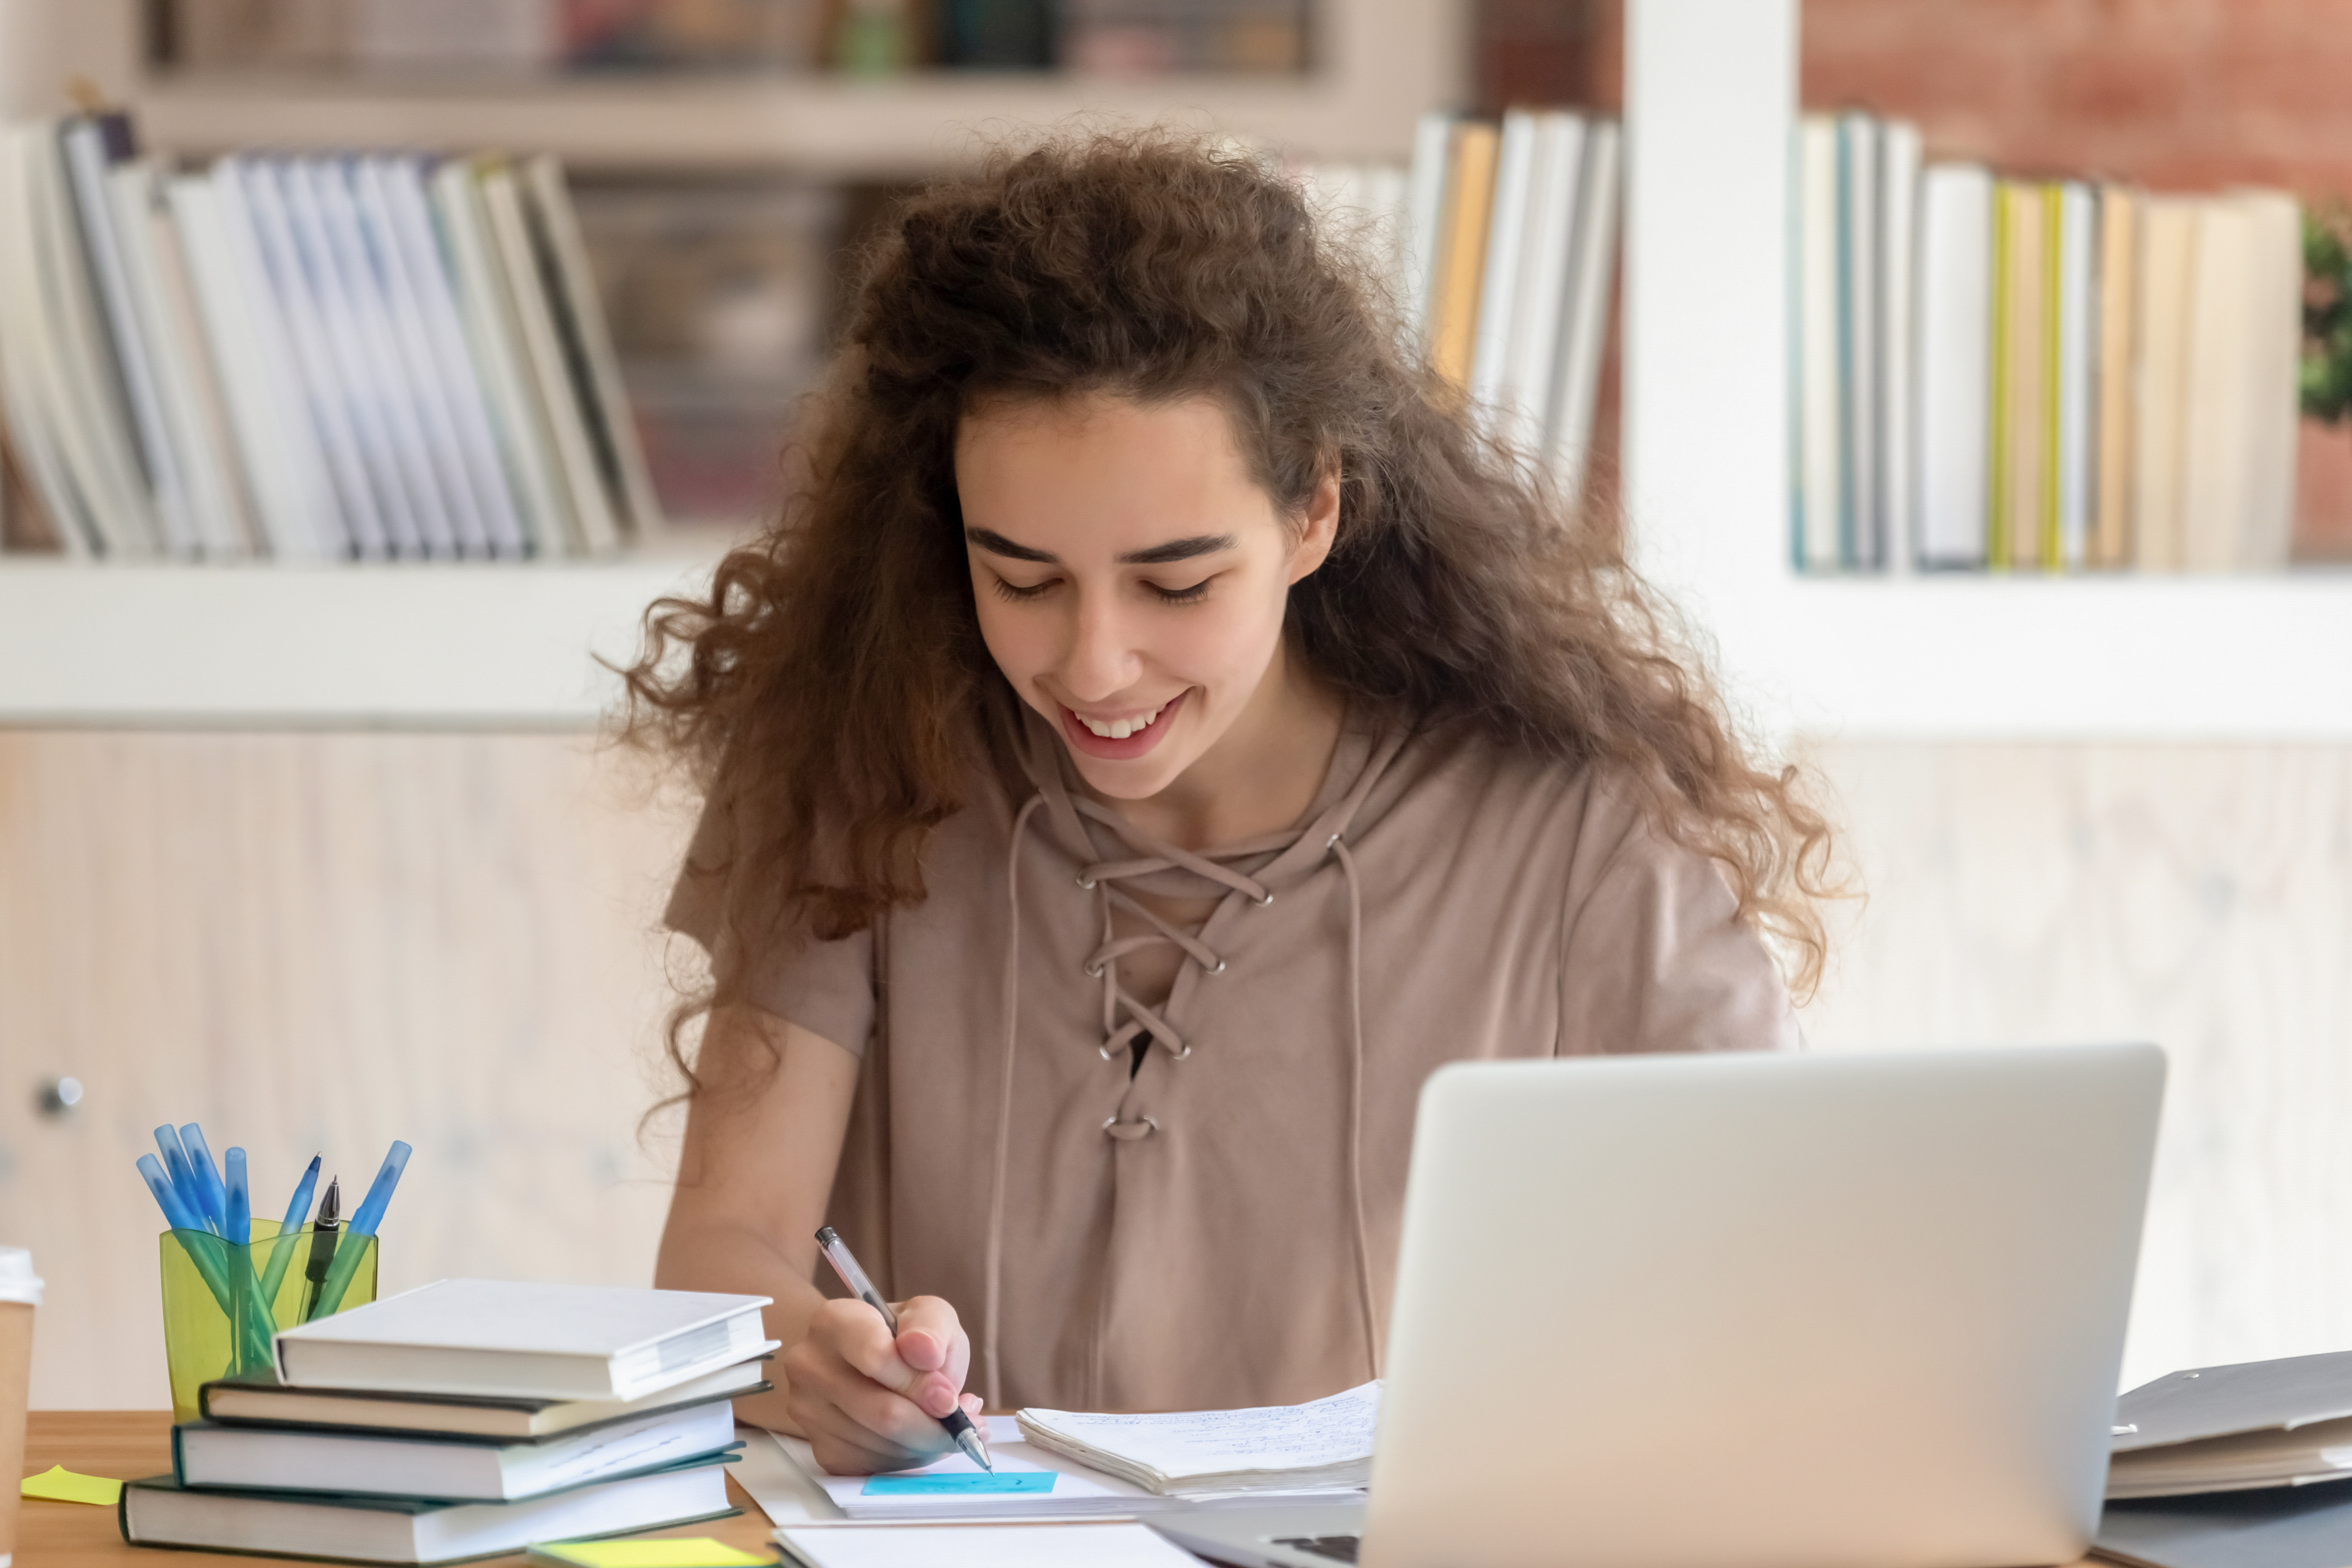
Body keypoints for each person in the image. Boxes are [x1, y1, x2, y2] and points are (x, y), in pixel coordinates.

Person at [629, 132, 1833, 1476]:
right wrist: (809, 1358)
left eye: (1177, 582)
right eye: (1021, 578)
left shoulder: (1586, 840)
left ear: (1315, 510)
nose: (1093, 664)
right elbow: (722, 1253)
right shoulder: (866, 764)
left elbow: (1769, 1316)